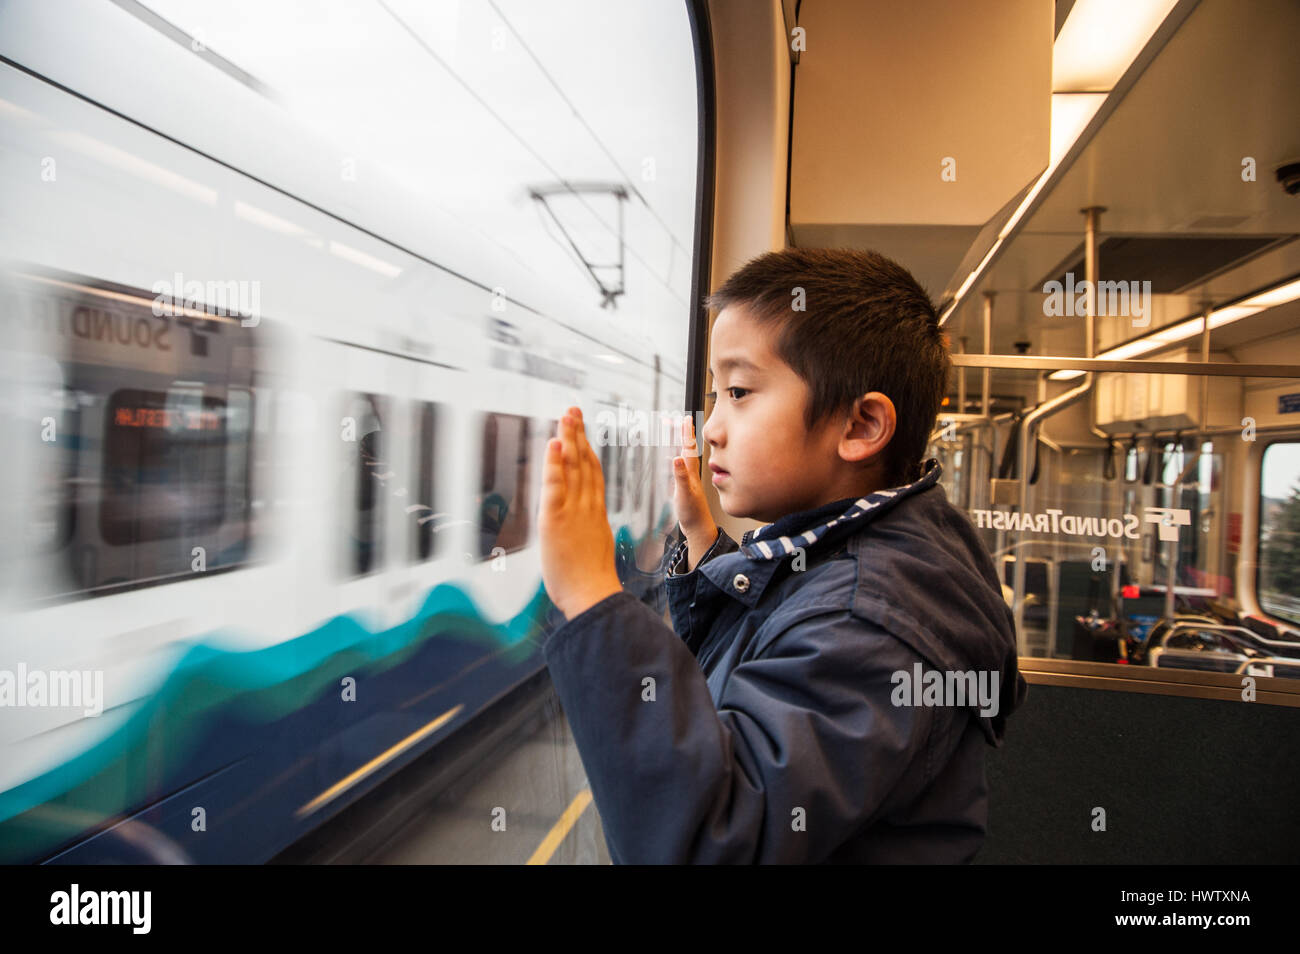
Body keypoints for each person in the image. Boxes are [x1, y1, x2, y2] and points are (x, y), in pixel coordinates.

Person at [537, 247, 1026, 864]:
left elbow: (716, 838)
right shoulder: (858, 559)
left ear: (860, 427)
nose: (712, 426)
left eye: (739, 392)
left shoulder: (870, 621)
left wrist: (590, 598)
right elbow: (766, 660)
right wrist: (702, 544)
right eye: (715, 394)